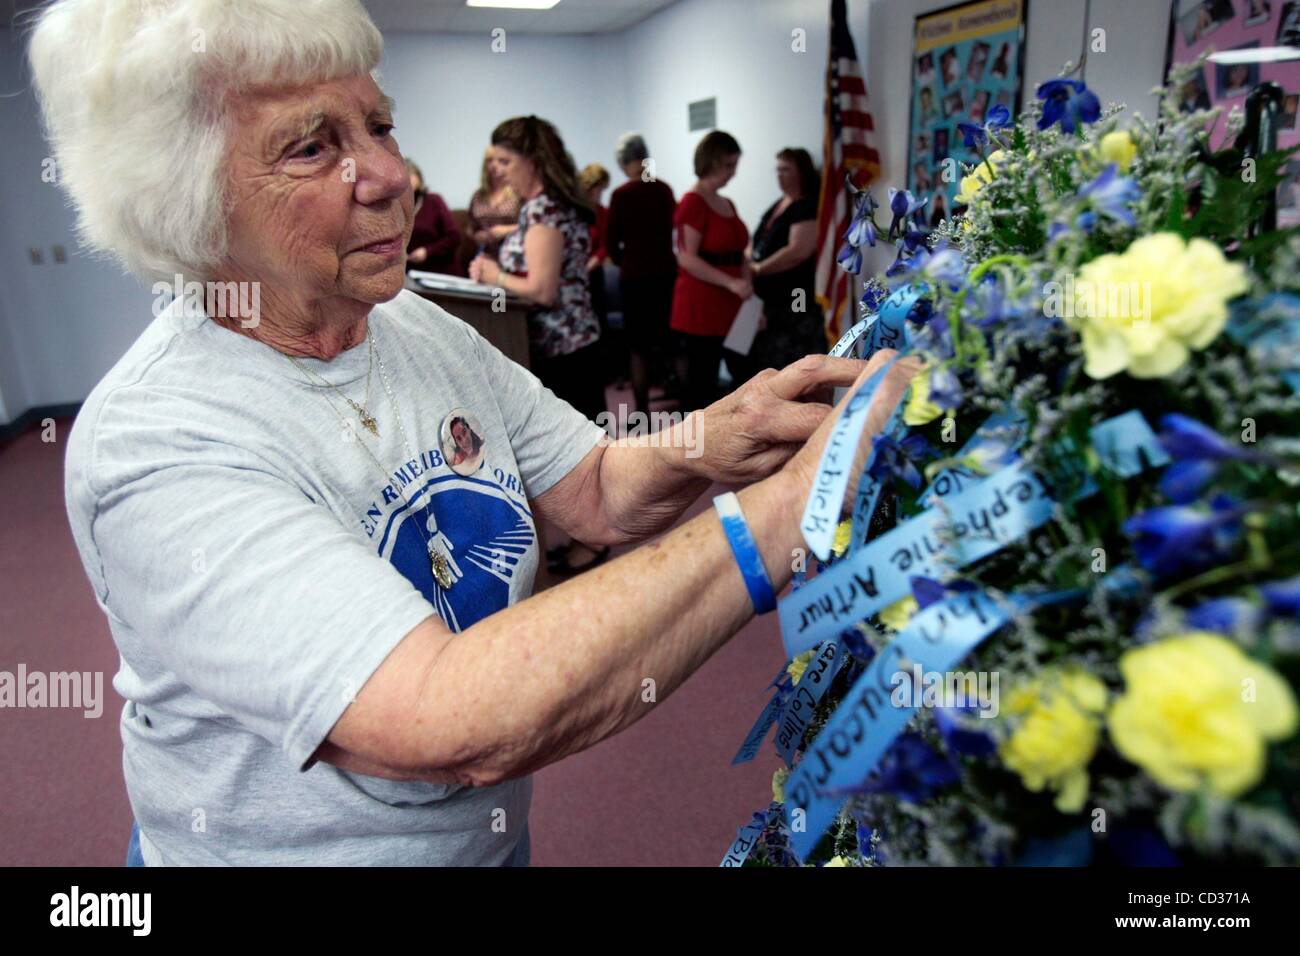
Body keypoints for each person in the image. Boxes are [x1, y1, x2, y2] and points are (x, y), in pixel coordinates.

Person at [36, 0, 913, 868]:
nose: (391, 175)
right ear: (191, 203)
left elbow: (597, 484)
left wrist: (717, 435)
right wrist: (795, 504)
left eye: (380, 125)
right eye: (314, 146)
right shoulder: (153, 440)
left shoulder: (415, 323)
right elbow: (444, 716)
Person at [467, 117, 608, 573]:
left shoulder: (545, 210)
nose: (499, 171)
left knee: (575, 458)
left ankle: (594, 542)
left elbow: (543, 290)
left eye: (507, 161)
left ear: (534, 159)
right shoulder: (540, 208)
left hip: (567, 349)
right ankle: (584, 538)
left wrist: (493, 275)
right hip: (561, 346)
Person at [729, 148, 826, 384]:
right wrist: (749, 261)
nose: (779, 175)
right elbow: (756, 240)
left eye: (786, 169)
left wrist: (759, 268)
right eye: (778, 169)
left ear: (801, 172)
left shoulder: (807, 206)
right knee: (736, 352)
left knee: (783, 362)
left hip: (792, 298)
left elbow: (798, 251)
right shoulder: (778, 204)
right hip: (758, 296)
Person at [670, 130, 751, 412]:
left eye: (735, 165)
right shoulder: (693, 202)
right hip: (703, 306)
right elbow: (687, 258)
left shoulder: (726, 203)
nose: (733, 173)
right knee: (701, 384)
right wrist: (731, 283)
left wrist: (748, 295)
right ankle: (696, 449)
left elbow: (740, 255)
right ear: (712, 162)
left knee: (747, 377)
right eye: (728, 165)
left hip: (735, 303)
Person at [606, 133, 678, 415]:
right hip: (666, 274)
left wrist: (628, 262)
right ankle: (690, 407)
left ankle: (642, 413)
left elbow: (612, 244)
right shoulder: (665, 190)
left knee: (638, 350)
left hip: (635, 279)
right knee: (673, 343)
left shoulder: (621, 195)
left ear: (623, 163)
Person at [578, 162, 619, 383]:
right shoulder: (577, 212)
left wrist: (592, 264)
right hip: (576, 275)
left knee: (599, 320)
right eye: (598, 188)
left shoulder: (604, 213)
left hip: (593, 274)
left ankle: (605, 370)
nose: (600, 194)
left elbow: (606, 245)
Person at [405, 159, 460, 275]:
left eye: (410, 173)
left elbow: (454, 237)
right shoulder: (393, 207)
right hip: (409, 273)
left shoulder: (434, 201)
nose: (406, 178)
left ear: (419, 178)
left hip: (440, 271)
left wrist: (427, 252)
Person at [468, 147, 519, 257]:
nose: (494, 165)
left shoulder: (518, 192)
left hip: (514, 251)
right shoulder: (477, 196)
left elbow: (532, 225)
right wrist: (476, 235)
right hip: (485, 252)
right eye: (490, 160)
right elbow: (471, 227)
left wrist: (507, 230)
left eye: (501, 161)